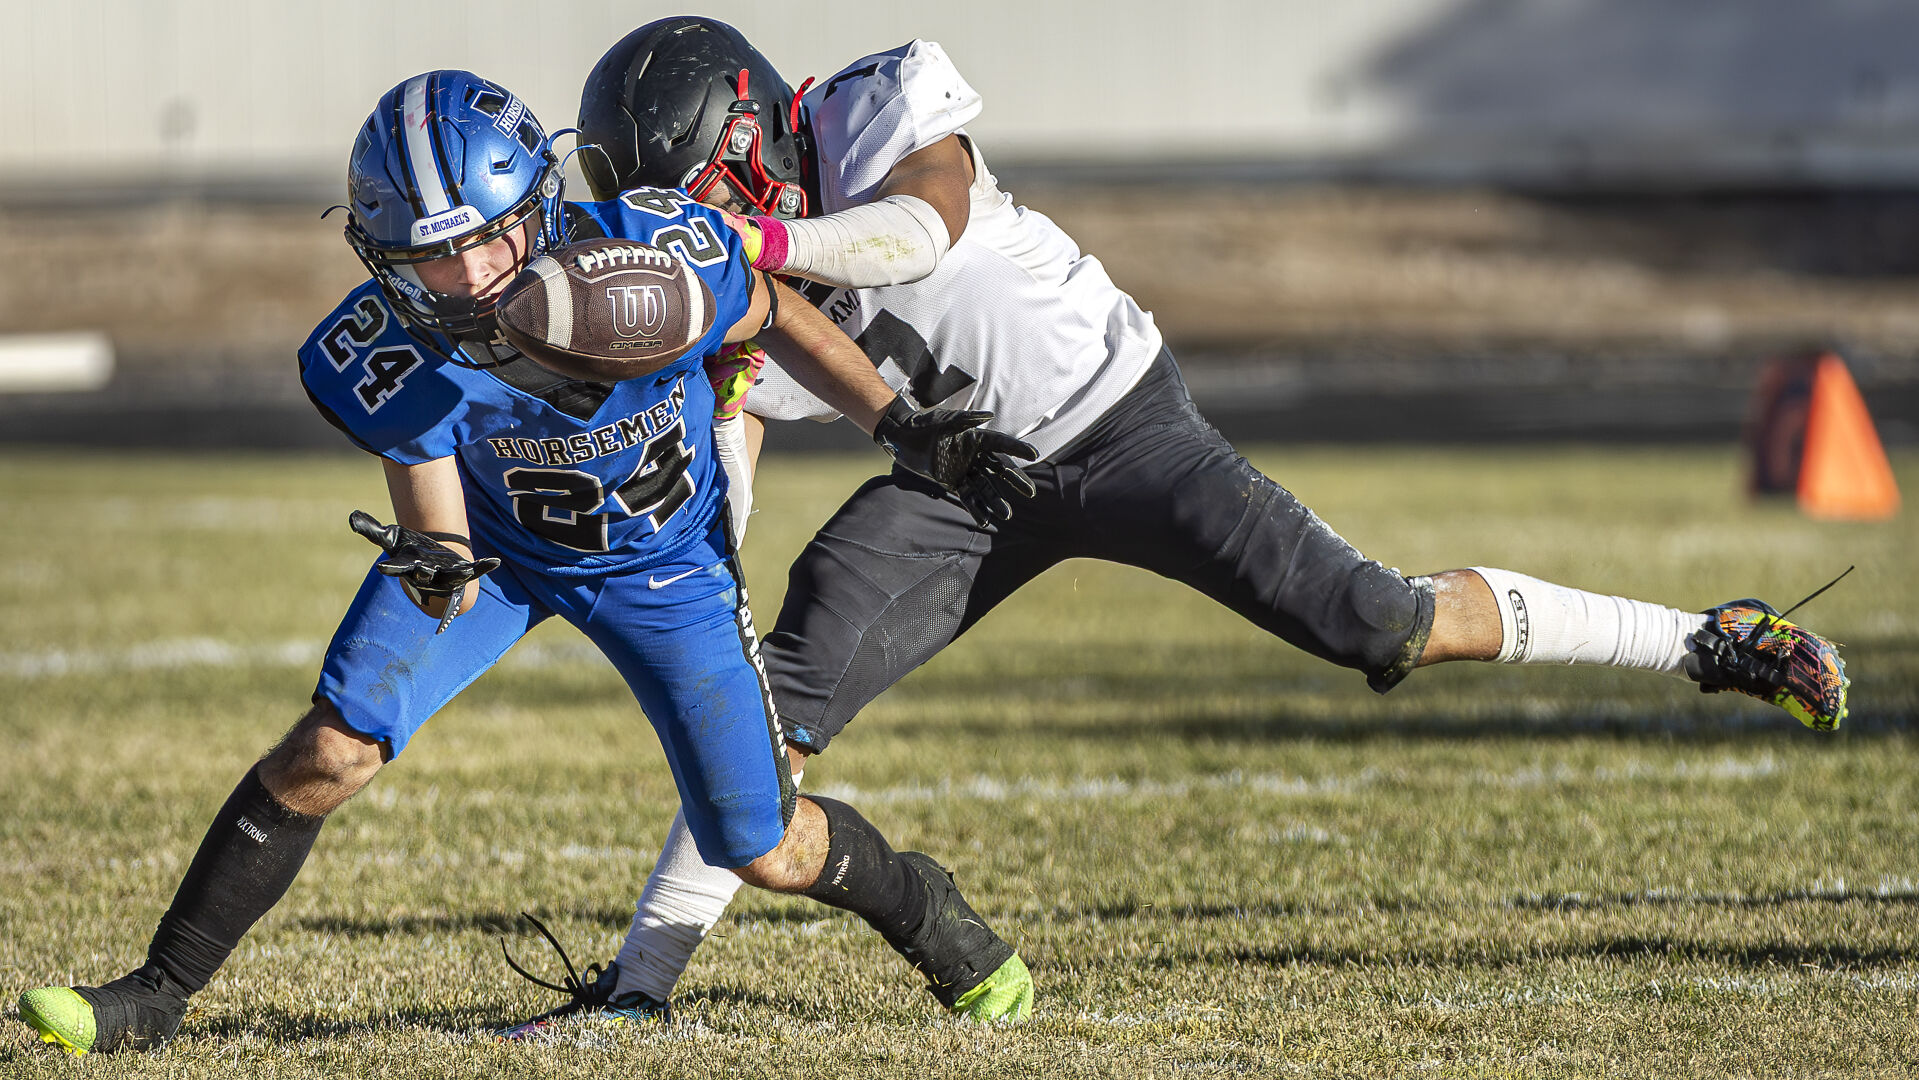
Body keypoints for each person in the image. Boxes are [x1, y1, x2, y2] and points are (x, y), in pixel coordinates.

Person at [493, 18, 1854, 1035]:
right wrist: (695, 556)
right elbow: (728, 435)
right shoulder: (723, 282)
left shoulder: (871, 106)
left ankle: (1703, 639)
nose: (683, 236)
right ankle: (639, 990)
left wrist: (768, 256)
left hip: (1116, 418)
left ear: (742, 140)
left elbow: (924, 226)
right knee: (756, 707)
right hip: (955, 479)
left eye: (696, 205)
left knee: (1372, 622)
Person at [14, 69, 1039, 1057]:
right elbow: (434, 503)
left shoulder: (651, 249)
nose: (461, 278)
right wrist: (439, 566)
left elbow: (770, 311)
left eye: (481, 239)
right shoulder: (382, 343)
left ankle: (931, 914)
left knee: (757, 845)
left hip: (664, 562)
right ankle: (154, 997)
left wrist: (900, 424)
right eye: (426, 257)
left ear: (538, 207)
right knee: (330, 749)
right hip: (501, 554)